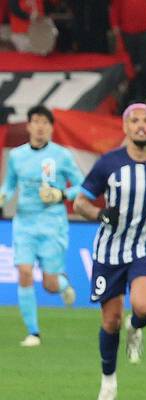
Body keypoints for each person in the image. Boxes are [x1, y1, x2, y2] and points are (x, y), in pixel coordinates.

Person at [71, 104, 146, 400]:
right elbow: (80, 202)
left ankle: (136, 328)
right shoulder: (109, 163)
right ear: (125, 127)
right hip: (110, 249)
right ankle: (108, 381)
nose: (141, 126)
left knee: (144, 307)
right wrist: (100, 213)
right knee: (110, 322)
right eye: (135, 121)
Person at [0, 106, 81, 347]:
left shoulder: (62, 156)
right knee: (24, 272)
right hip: (24, 223)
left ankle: (62, 284)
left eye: (45, 122)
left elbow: (83, 185)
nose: (40, 126)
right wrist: (3, 195)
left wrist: (60, 193)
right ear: (28, 126)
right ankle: (33, 332)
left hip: (52, 224)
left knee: (49, 284)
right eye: (35, 121)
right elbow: (9, 185)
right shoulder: (16, 156)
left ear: (51, 127)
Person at [111, 0, 146, 105]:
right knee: (130, 67)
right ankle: (133, 95)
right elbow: (115, 7)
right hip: (127, 32)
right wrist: (115, 25)